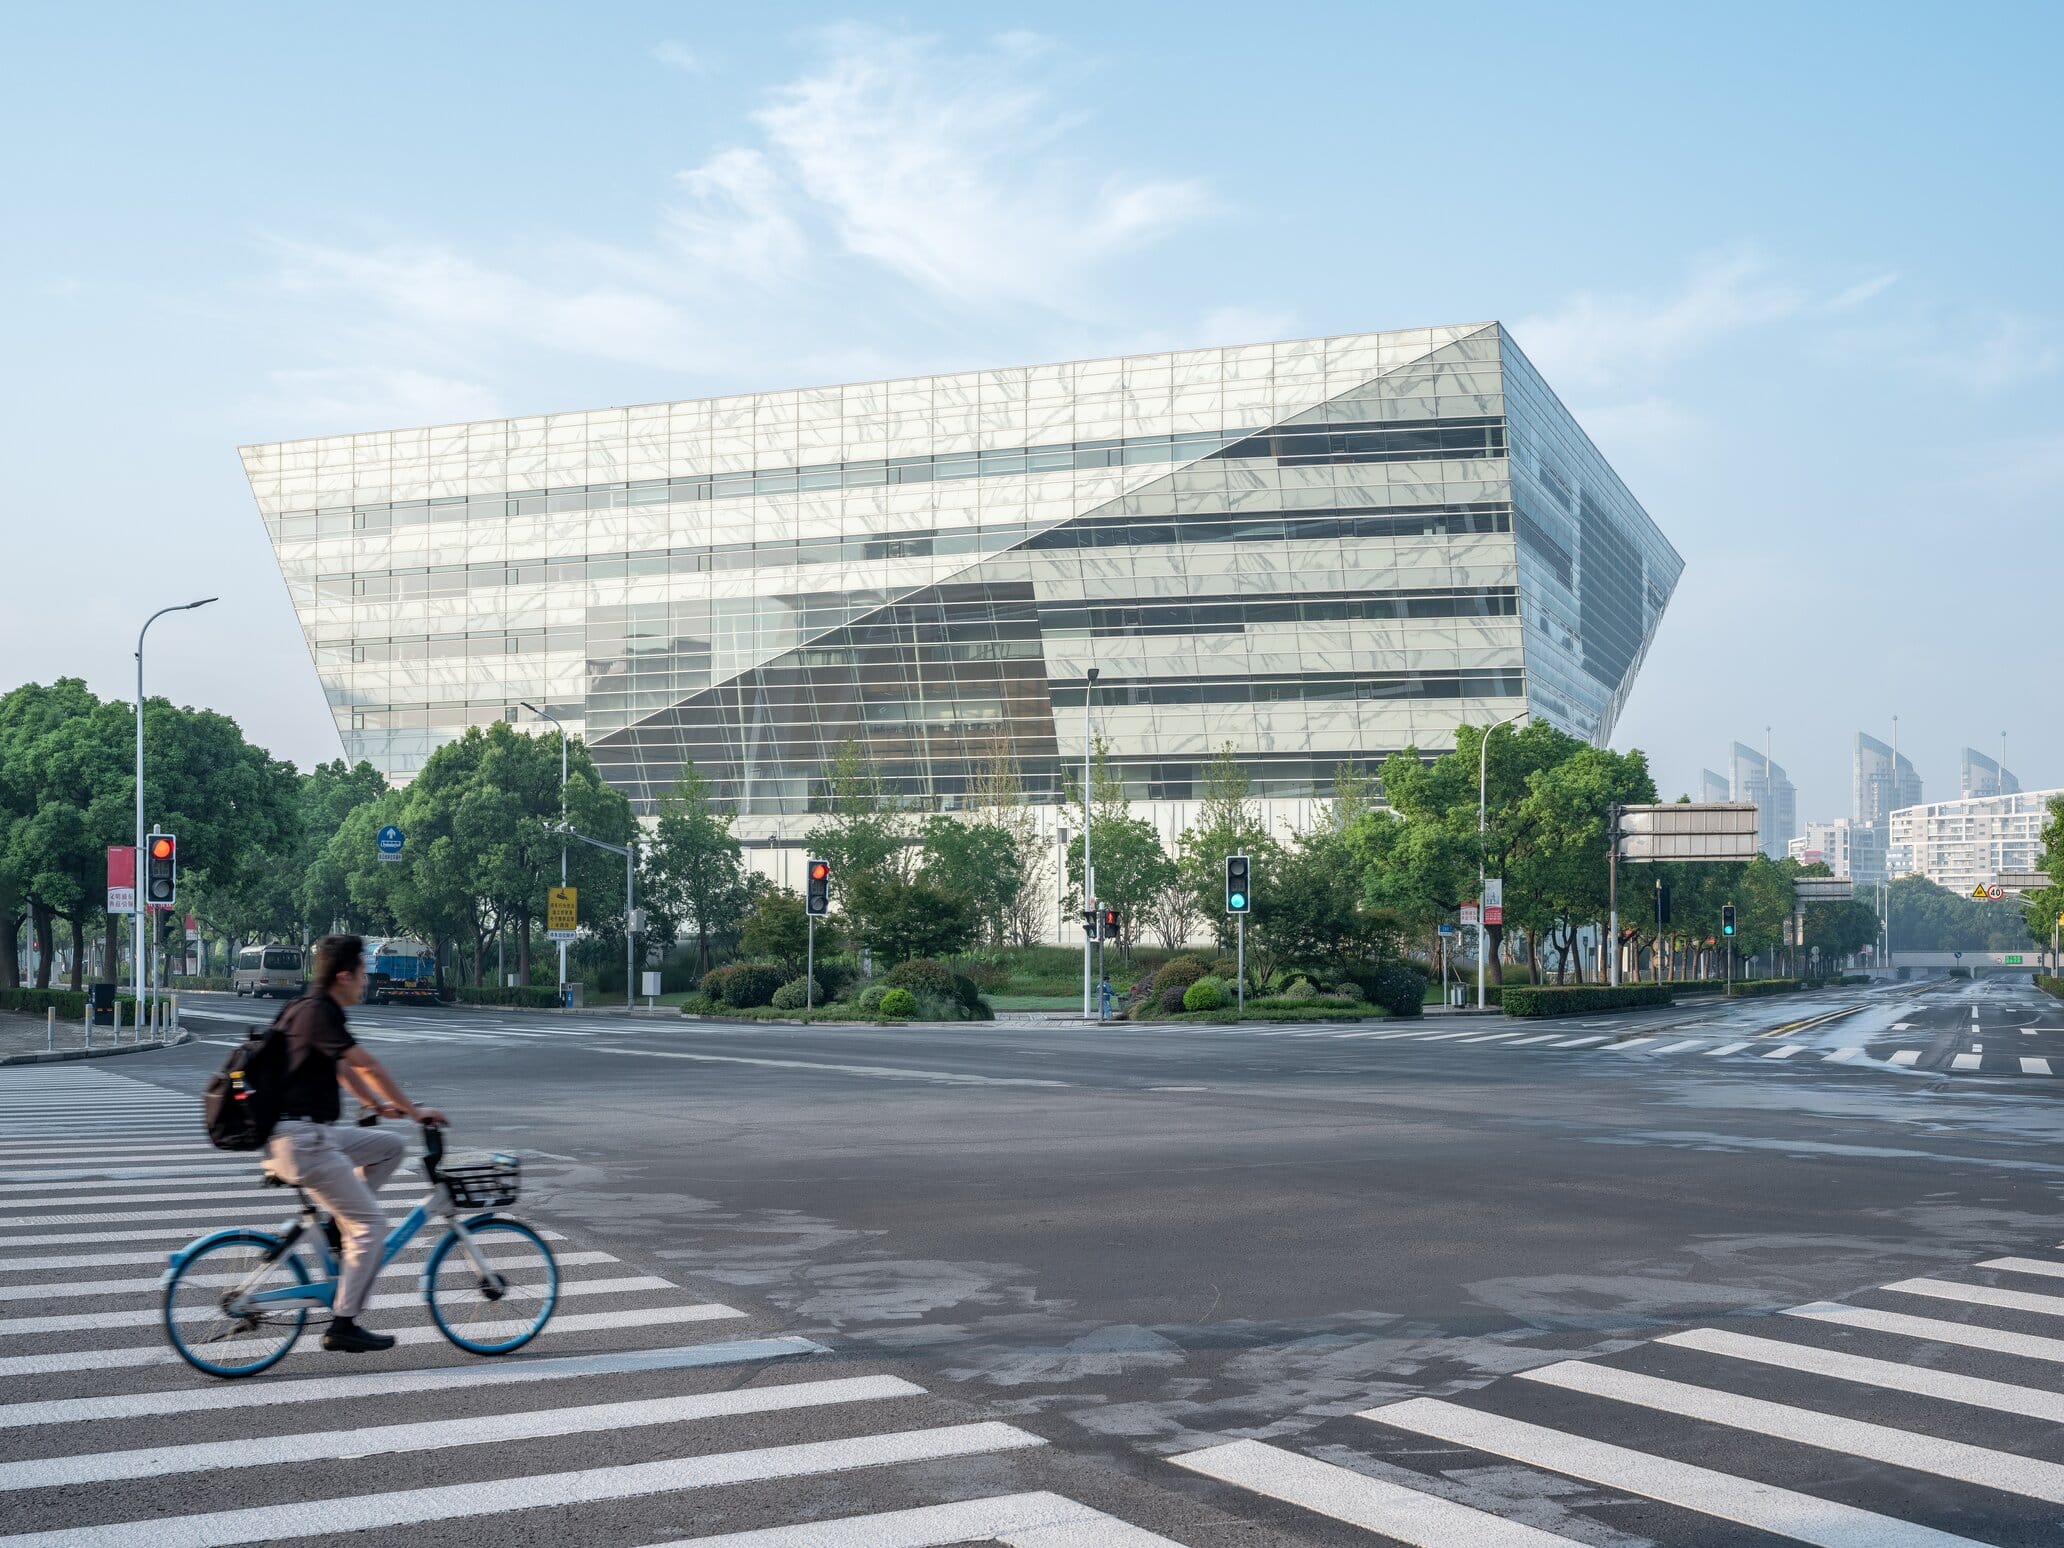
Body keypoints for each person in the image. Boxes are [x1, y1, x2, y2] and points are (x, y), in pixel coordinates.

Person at [267, 934, 446, 1353]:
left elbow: (342, 1068)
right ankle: (343, 1323)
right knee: (372, 1227)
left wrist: (376, 1105)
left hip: (305, 1135)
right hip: (304, 1142)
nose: (366, 981)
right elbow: (369, 1065)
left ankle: (336, 1223)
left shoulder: (305, 1007)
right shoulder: (319, 1012)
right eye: (364, 972)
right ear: (344, 976)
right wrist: (415, 1112)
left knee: (389, 1146)